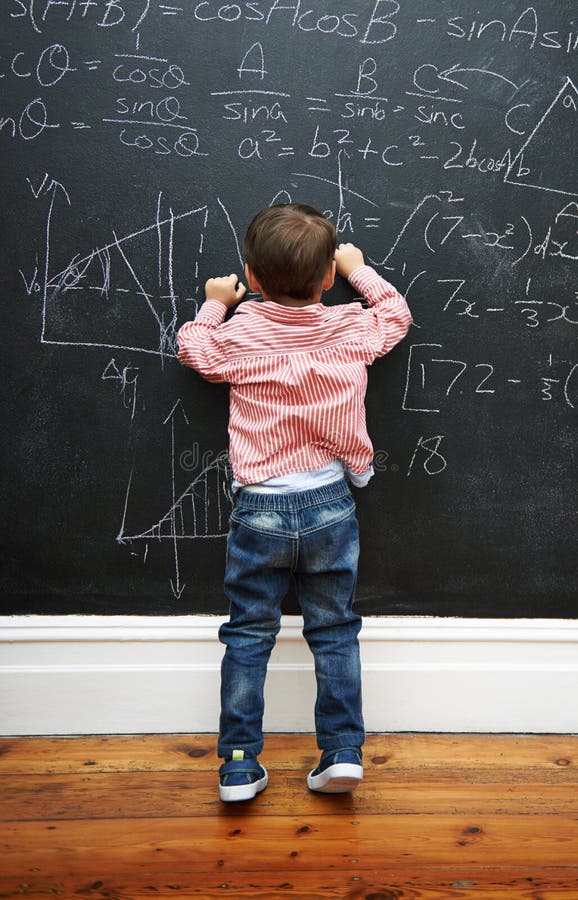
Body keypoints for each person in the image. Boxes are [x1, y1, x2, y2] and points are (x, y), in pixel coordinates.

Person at [177, 203, 412, 802]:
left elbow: (195, 352)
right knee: (334, 629)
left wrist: (213, 302)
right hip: (330, 501)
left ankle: (237, 764)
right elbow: (395, 315)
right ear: (327, 277)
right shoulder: (349, 329)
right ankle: (341, 752)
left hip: (259, 507)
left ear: (252, 278)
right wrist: (362, 271)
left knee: (249, 634)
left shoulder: (241, 332)